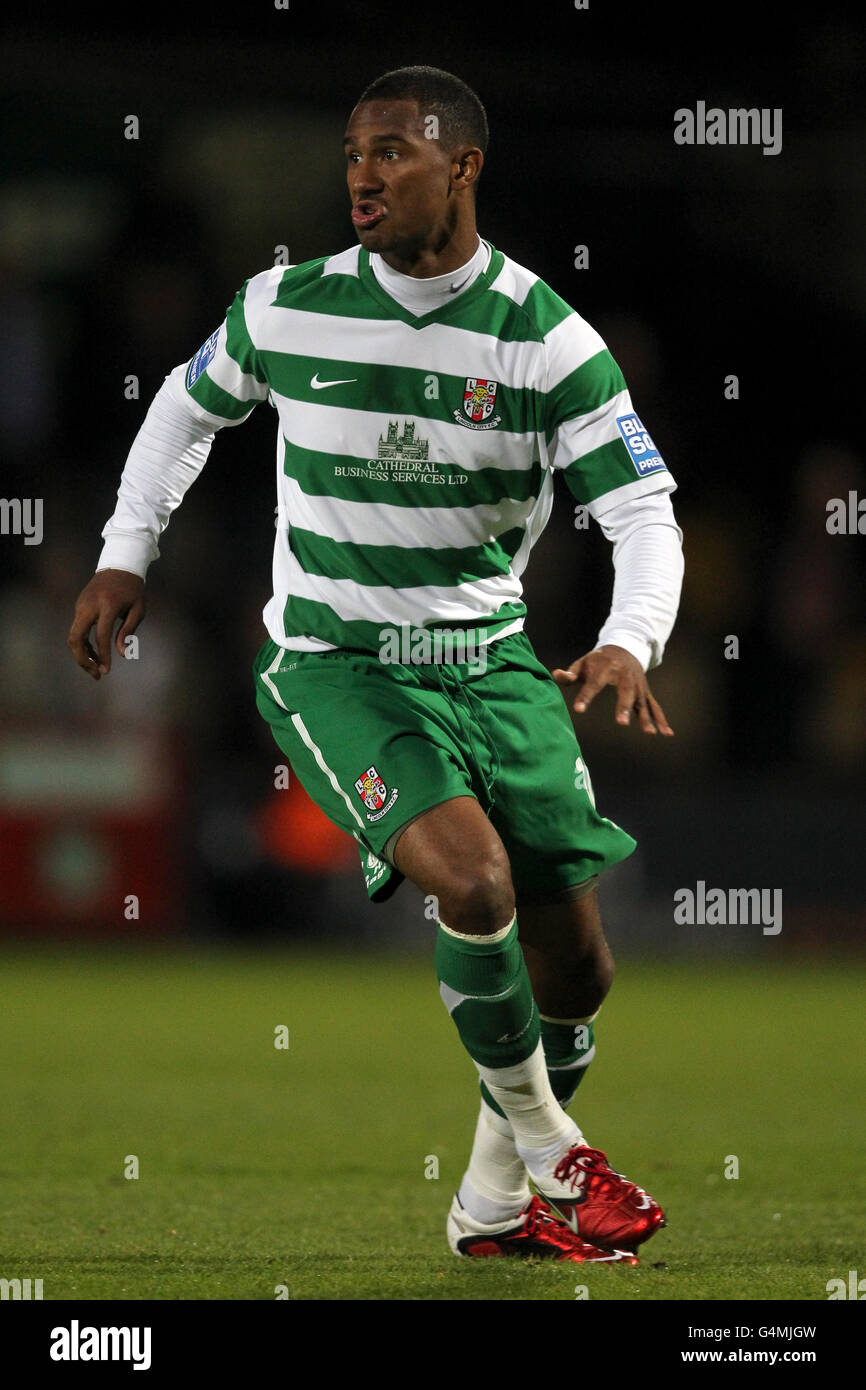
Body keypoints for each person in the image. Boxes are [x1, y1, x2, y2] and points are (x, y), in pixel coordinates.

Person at [68, 65, 684, 1265]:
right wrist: (124, 550)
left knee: (580, 970)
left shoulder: (546, 337)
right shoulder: (284, 306)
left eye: (394, 150)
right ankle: (561, 1155)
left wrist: (629, 637)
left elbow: (643, 507)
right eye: (354, 150)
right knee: (476, 885)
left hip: (492, 665)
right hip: (334, 659)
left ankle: (491, 1206)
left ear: (463, 168)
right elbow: (184, 410)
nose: (362, 172)